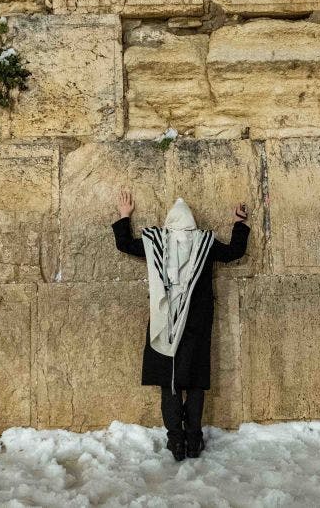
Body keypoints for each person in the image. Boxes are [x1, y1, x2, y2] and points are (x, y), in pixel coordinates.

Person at [112, 191, 250, 461]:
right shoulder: (205, 243)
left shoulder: (156, 242)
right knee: (195, 381)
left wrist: (124, 215)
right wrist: (239, 222)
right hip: (197, 323)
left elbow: (125, 244)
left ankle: (176, 440)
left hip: (166, 323)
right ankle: (194, 439)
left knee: (170, 382)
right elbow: (235, 252)